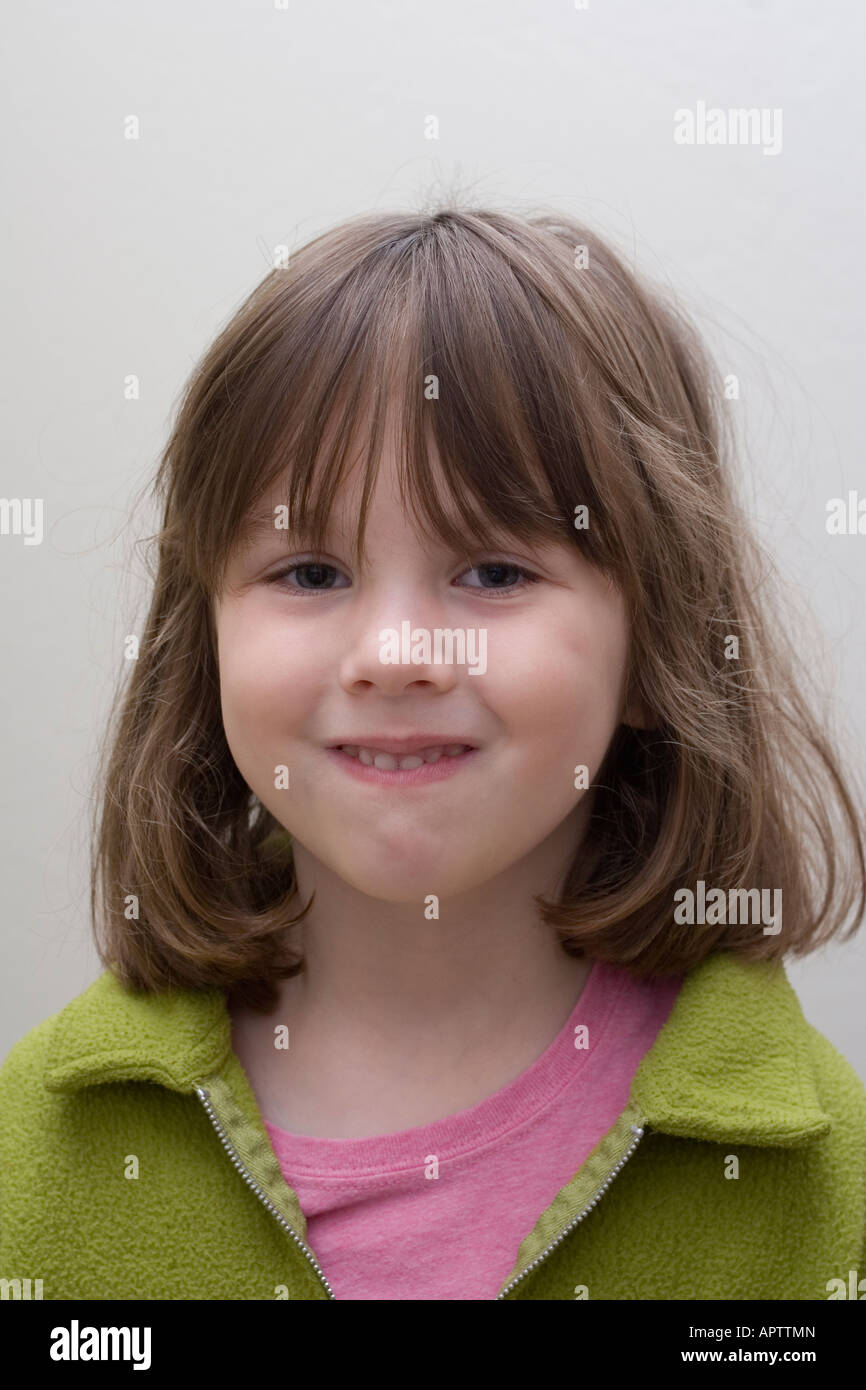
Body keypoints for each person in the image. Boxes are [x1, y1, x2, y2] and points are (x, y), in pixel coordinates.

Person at [1, 205, 864, 1301]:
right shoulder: (37, 1149)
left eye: (494, 572)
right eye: (309, 572)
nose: (397, 654)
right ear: (202, 637)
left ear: (659, 646)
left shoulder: (822, 1187)